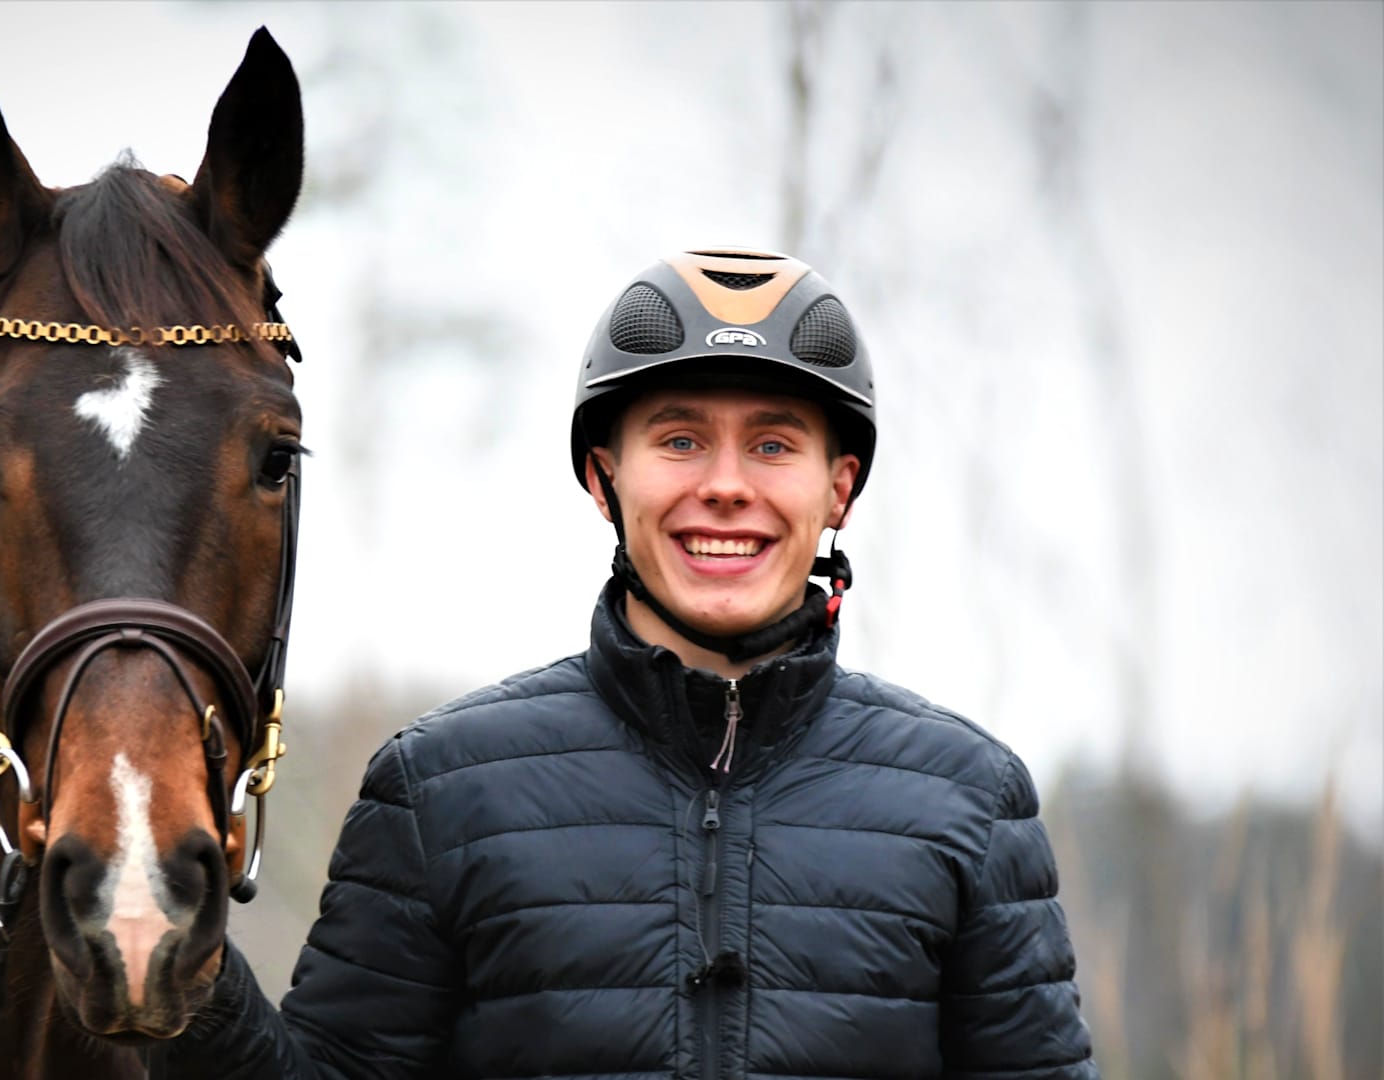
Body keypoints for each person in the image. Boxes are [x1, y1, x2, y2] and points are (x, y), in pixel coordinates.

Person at [167, 249, 1097, 1077]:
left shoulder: (972, 802)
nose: (727, 485)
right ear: (604, 479)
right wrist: (192, 972)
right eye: (680, 440)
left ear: (839, 489)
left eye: (774, 445)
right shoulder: (439, 792)